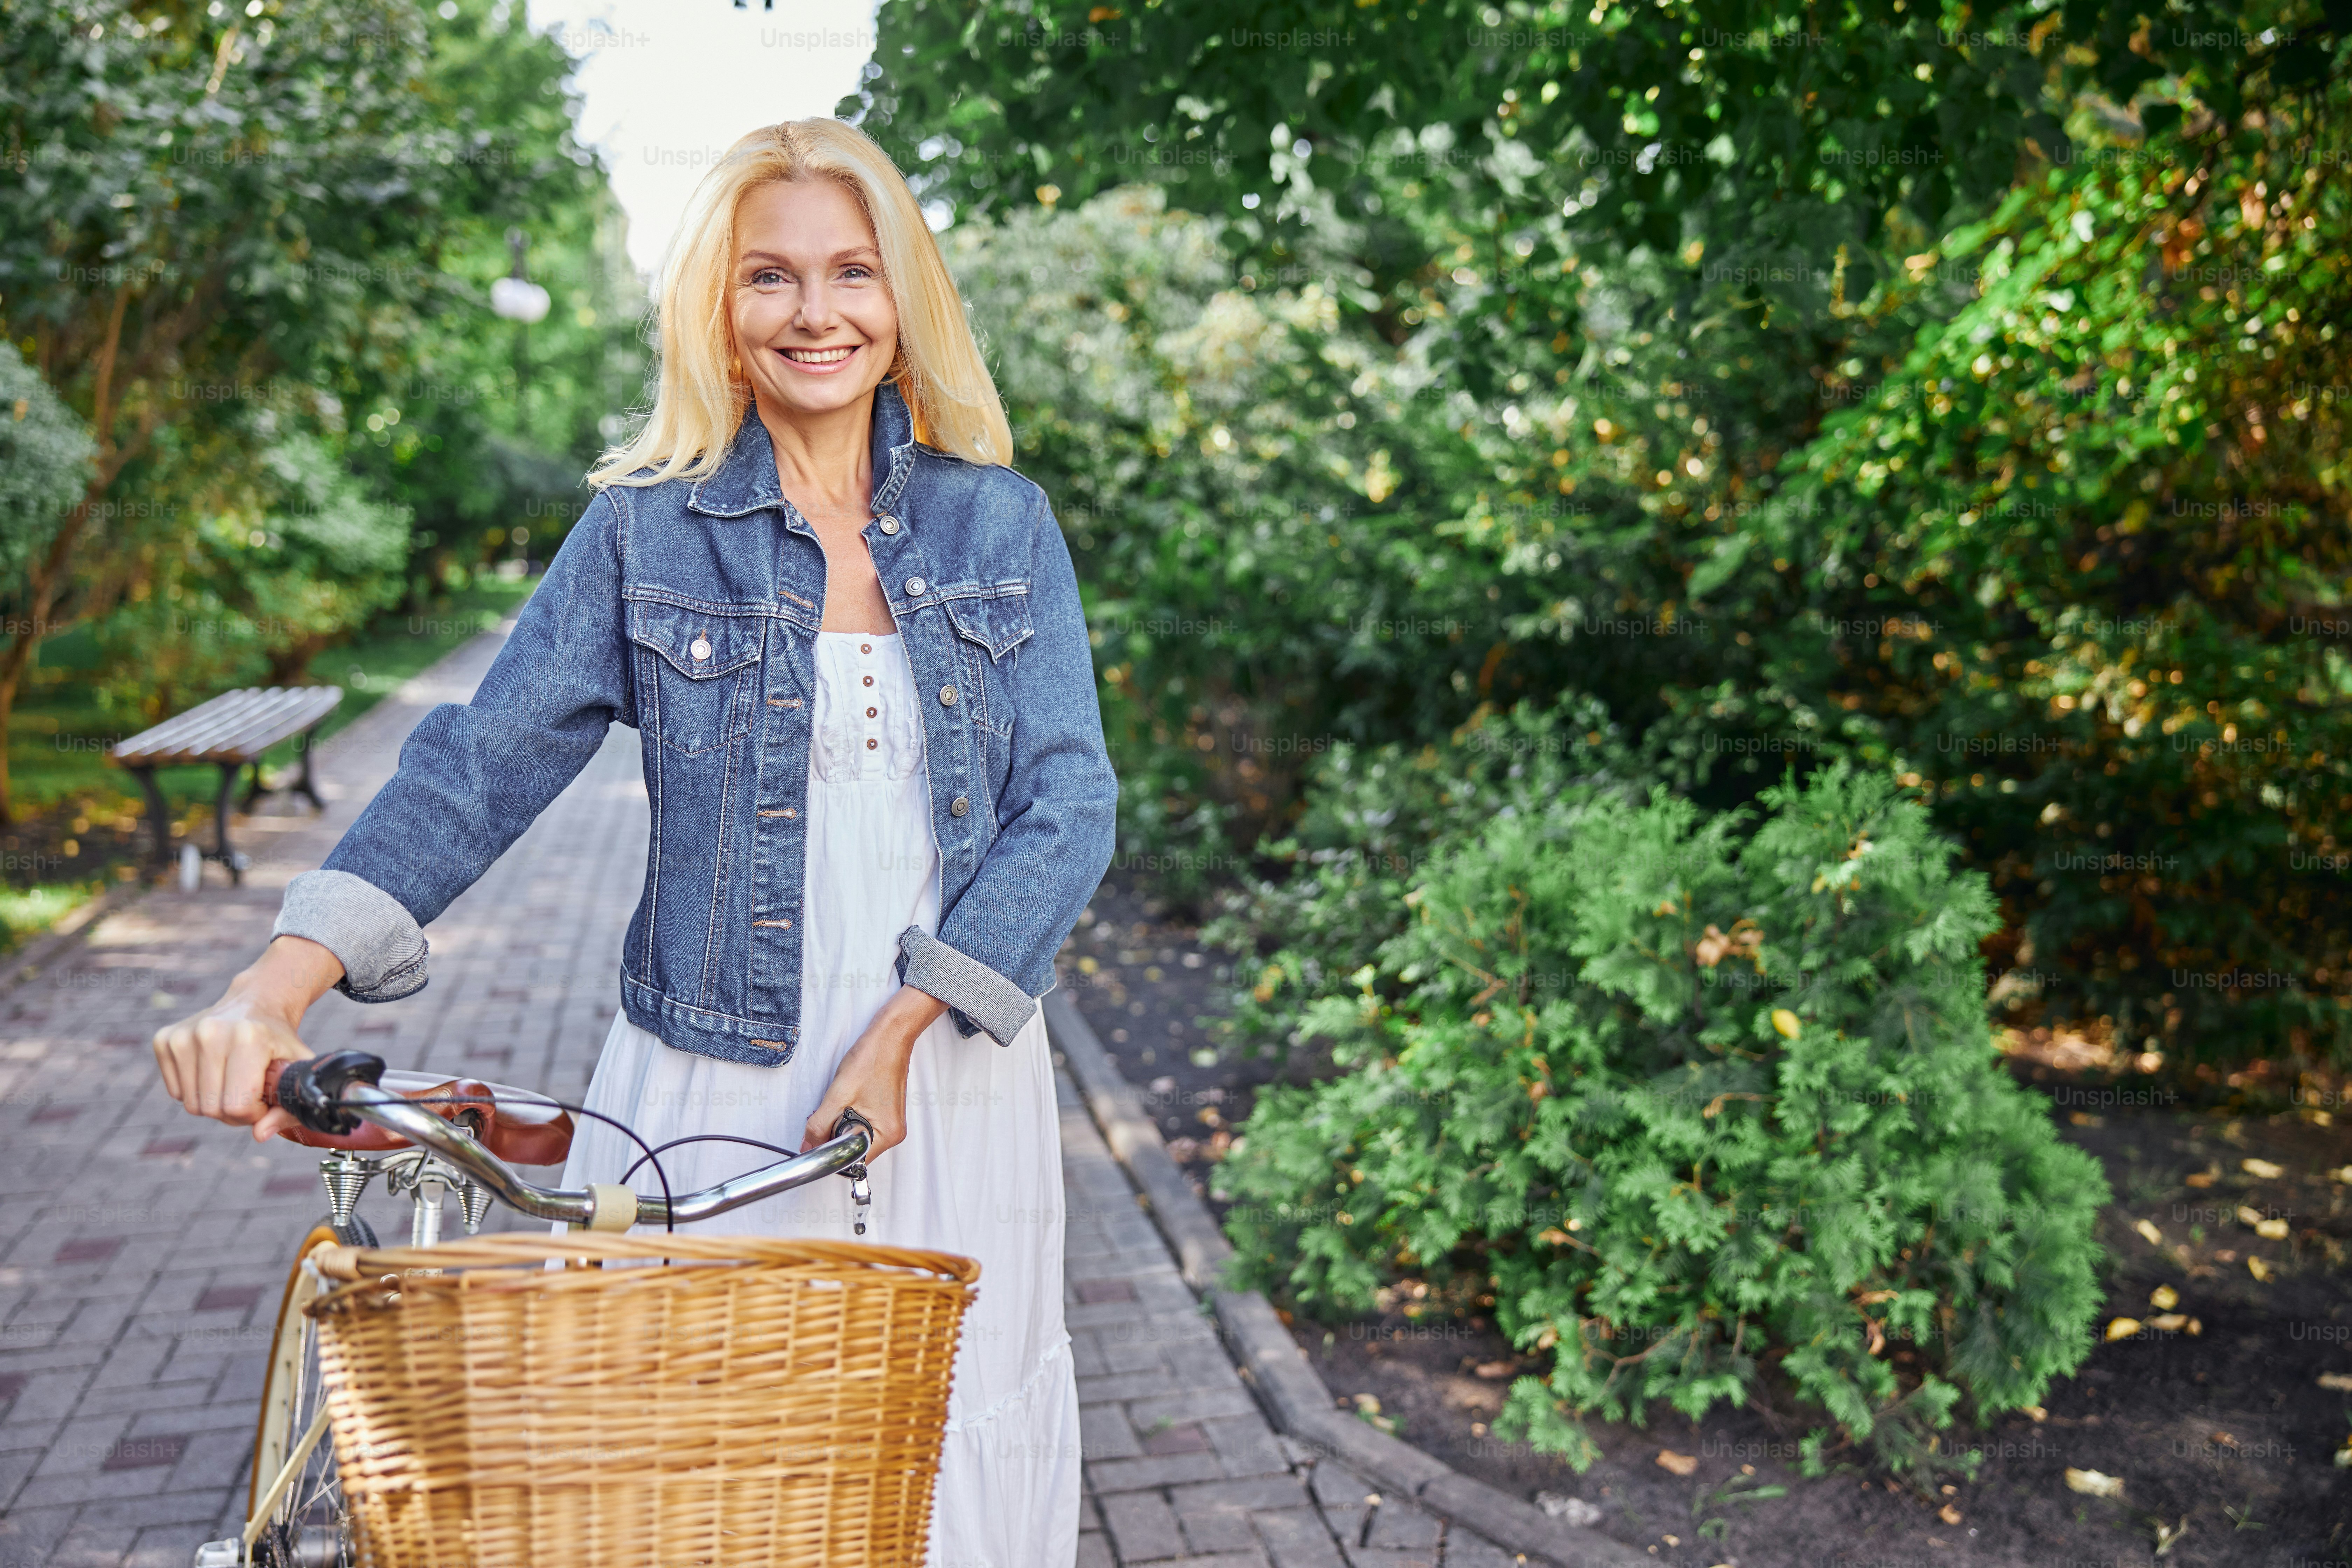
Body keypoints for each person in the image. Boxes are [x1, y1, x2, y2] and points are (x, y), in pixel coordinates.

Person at [150, 117, 1115, 1568]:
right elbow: (473, 770)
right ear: (718, 312)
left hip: (946, 1075)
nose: (814, 312)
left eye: (852, 271)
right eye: (769, 277)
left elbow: (1071, 803)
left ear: (903, 296)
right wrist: (273, 989)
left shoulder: (1002, 525)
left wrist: (909, 1022)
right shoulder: (643, 535)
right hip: (713, 1081)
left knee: (933, 1460)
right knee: (690, 1476)